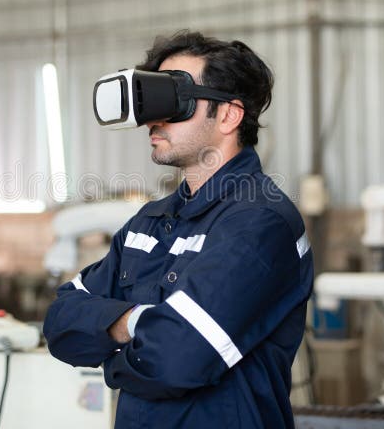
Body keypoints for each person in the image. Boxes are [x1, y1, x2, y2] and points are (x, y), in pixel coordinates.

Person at [43, 31, 313, 428]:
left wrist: (111, 351)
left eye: (174, 99)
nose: (153, 118)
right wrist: (138, 322)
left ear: (228, 115)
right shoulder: (149, 222)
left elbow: (176, 359)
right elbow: (61, 324)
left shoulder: (260, 222)